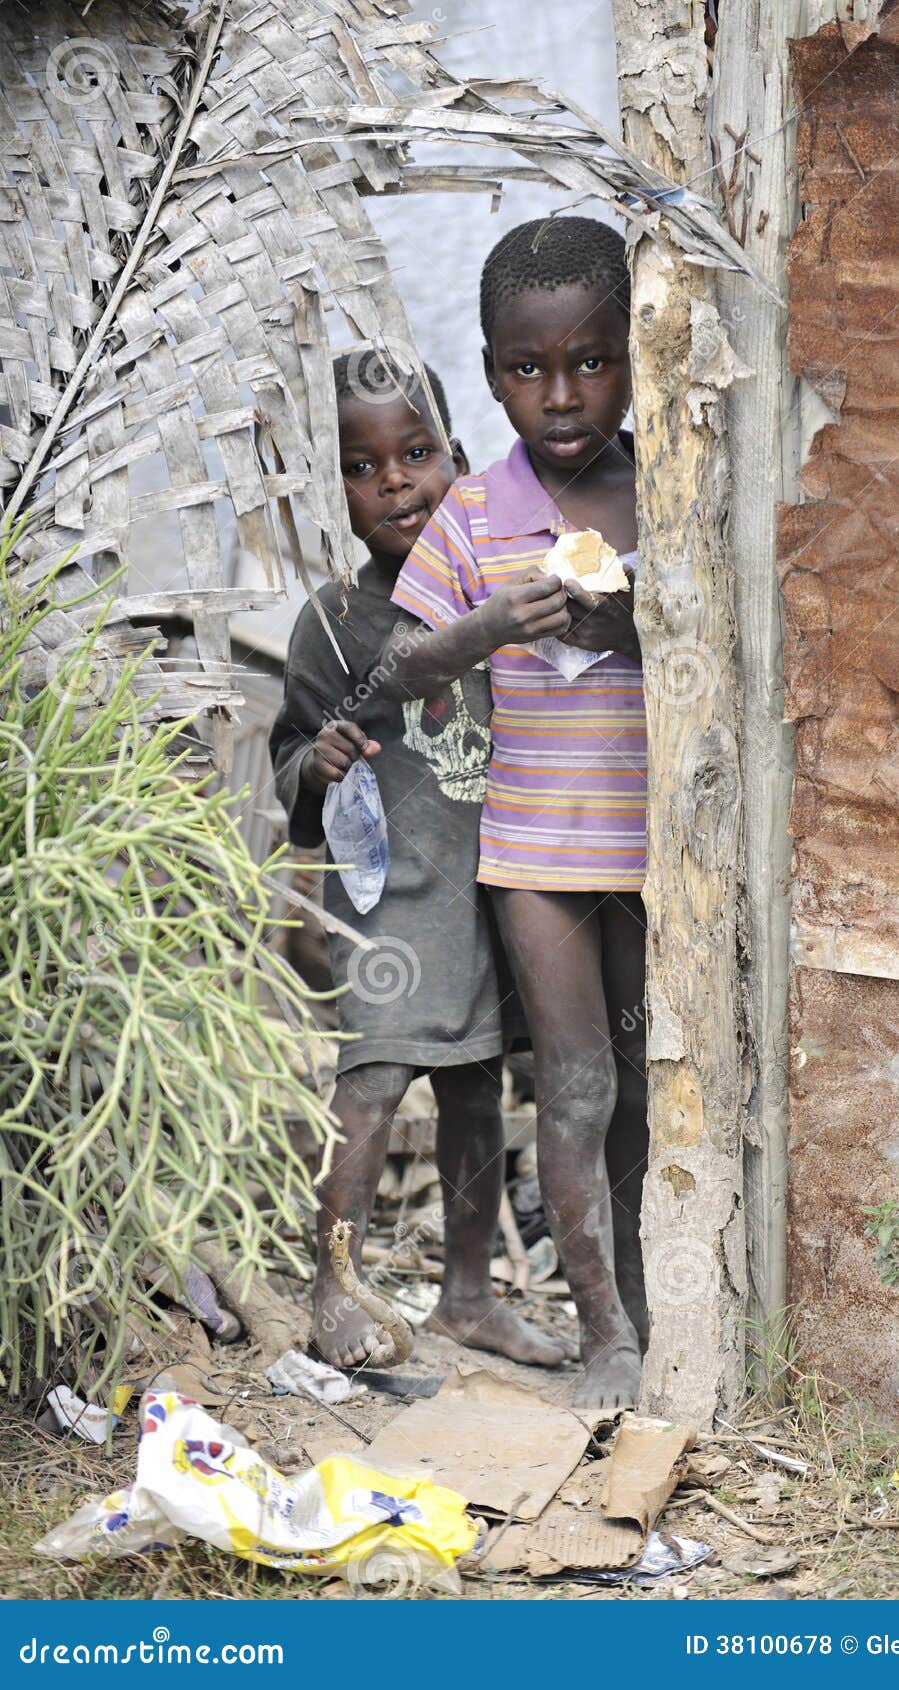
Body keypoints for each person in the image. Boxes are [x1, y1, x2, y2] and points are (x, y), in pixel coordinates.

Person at [381, 217, 648, 1410]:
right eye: (526, 369)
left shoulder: (669, 489)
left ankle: (661, 1303)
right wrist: (488, 627)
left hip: (660, 855)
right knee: (579, 1088)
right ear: (489, 372)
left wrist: (629, 621)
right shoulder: (476, 514)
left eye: (588, 361)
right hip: (535, 857)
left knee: (653, 1088)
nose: (558, 395)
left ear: (633, 356)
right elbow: (396, 675)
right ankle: (606, 1338)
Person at [270, 352, 566, 1373]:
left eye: (416, 452)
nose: (394, 480)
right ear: (334, 486)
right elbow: (291, 767)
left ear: (460, 457)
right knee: (373, 1082)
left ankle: (469, 1295)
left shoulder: (505, 595)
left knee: (479, 1090)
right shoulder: (330, 624)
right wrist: (316, 761)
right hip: (396, 898)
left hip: (497, 885)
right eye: (362, 465)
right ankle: (333, 1281)